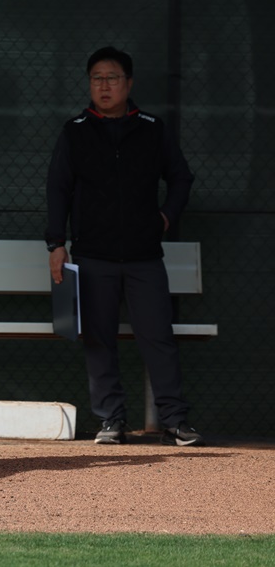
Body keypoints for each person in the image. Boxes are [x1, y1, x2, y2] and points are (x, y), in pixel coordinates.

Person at [45, 46, 204, 447]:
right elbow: (57, 189)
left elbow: (181, 178)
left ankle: (174, 420)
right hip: (92, 255)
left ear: (128, 83)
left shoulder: (152, 129)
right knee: (99, 339)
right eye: (97, 78)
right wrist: (56, 243)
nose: (104, 86)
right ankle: (111, 421)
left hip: (144, 256)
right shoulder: (75, 130)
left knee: (158, 337)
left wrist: (165, 217)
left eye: (112, 78)